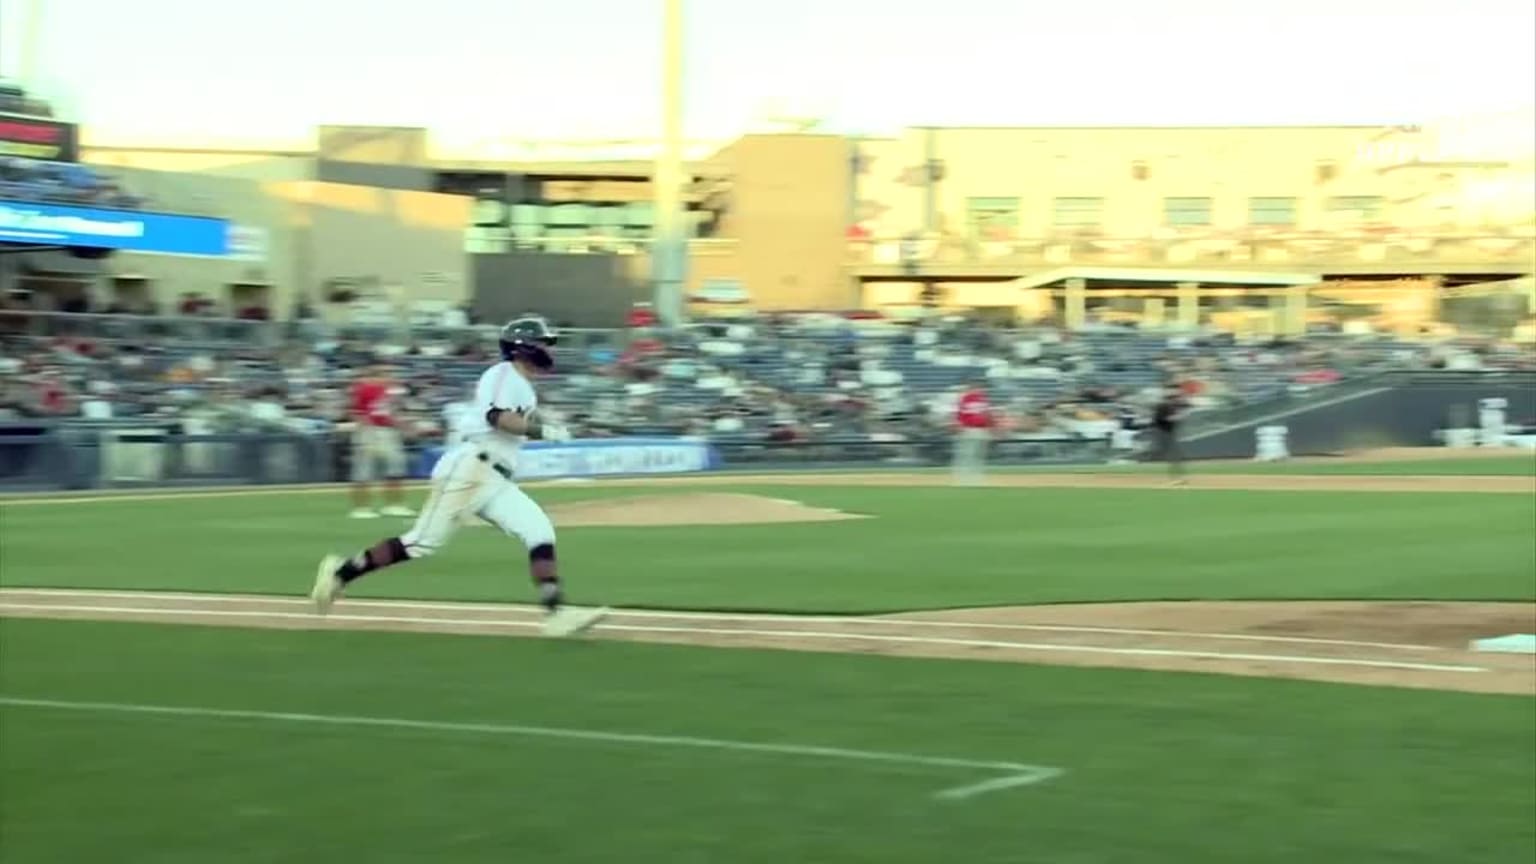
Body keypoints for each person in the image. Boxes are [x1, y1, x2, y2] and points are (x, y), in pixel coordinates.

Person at [312, 317, 608, 638]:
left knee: (539, 530)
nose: (546, 349)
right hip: (472, 468)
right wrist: (543, 429)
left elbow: (512, 419)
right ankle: (341, 573)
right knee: (421, 542)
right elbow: (497, 418)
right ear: (523, 348)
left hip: (495, 478)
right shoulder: (502, 374)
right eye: (541, 343)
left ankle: (556, 614)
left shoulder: (522, 385)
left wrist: (542, 424)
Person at [347, 364, 414, 519]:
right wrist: (366, 431)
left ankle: (394, 505)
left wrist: (401, 426)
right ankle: (361, 508)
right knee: (363, 470)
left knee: (396, 468)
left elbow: (393, 412)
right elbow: (357, 412)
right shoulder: (364, 389)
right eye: (386, 374)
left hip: (388, 431)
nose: (390, 377)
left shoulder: (390, 391)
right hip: (370, 430)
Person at [952, 377, 994, 485]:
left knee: (977, 455)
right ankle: (962, 478)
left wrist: (989, 428)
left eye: (979, 387)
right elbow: (960, 414)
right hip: (969, 429)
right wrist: (959, 426)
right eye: (975, 387)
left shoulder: (982, 399)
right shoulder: (966, 398)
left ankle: (975, 477)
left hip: (980, 430)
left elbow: (987, 416)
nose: (978, 389)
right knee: (968, 455)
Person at [1150, 385, 1189, 486]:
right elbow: (1160, 419)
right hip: (1163, 433)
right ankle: (1175, 478)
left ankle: (1178, 477)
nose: (1177, 399)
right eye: (1175, 398)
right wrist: (1176, 417)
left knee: (1176, 455)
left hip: (1169, 433)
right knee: (1174, 455)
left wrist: (1178, 418)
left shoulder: (1171, 407)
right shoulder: (1162, 406)